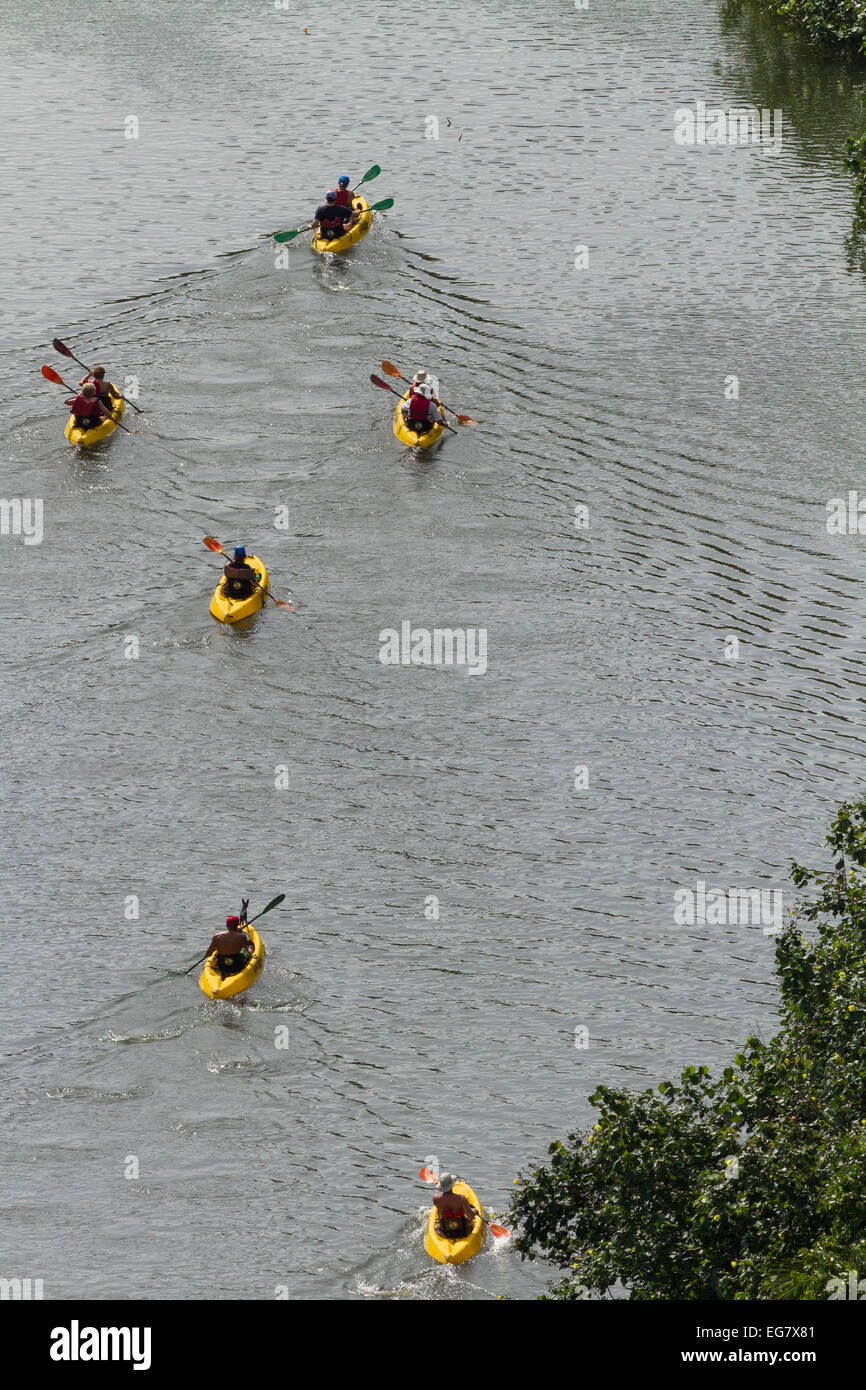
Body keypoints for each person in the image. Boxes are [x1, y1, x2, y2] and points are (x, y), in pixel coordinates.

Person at [205, 908, 253, 979]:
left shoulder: (216, 936)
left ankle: (223, 972)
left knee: (216, 953)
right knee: (250, 947)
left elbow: (208, 954)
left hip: (221, 964)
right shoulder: (242, 936)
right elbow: (245, 947)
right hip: (237, 964)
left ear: (227, 925)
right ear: (237, 925)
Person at [433, 1174, 478, 1238]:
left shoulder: (436, 1199)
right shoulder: (461, 1199)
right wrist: (475, 1211)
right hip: (462, 1231)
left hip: (444, 1231)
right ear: (452, 1185)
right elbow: (470, 1215)